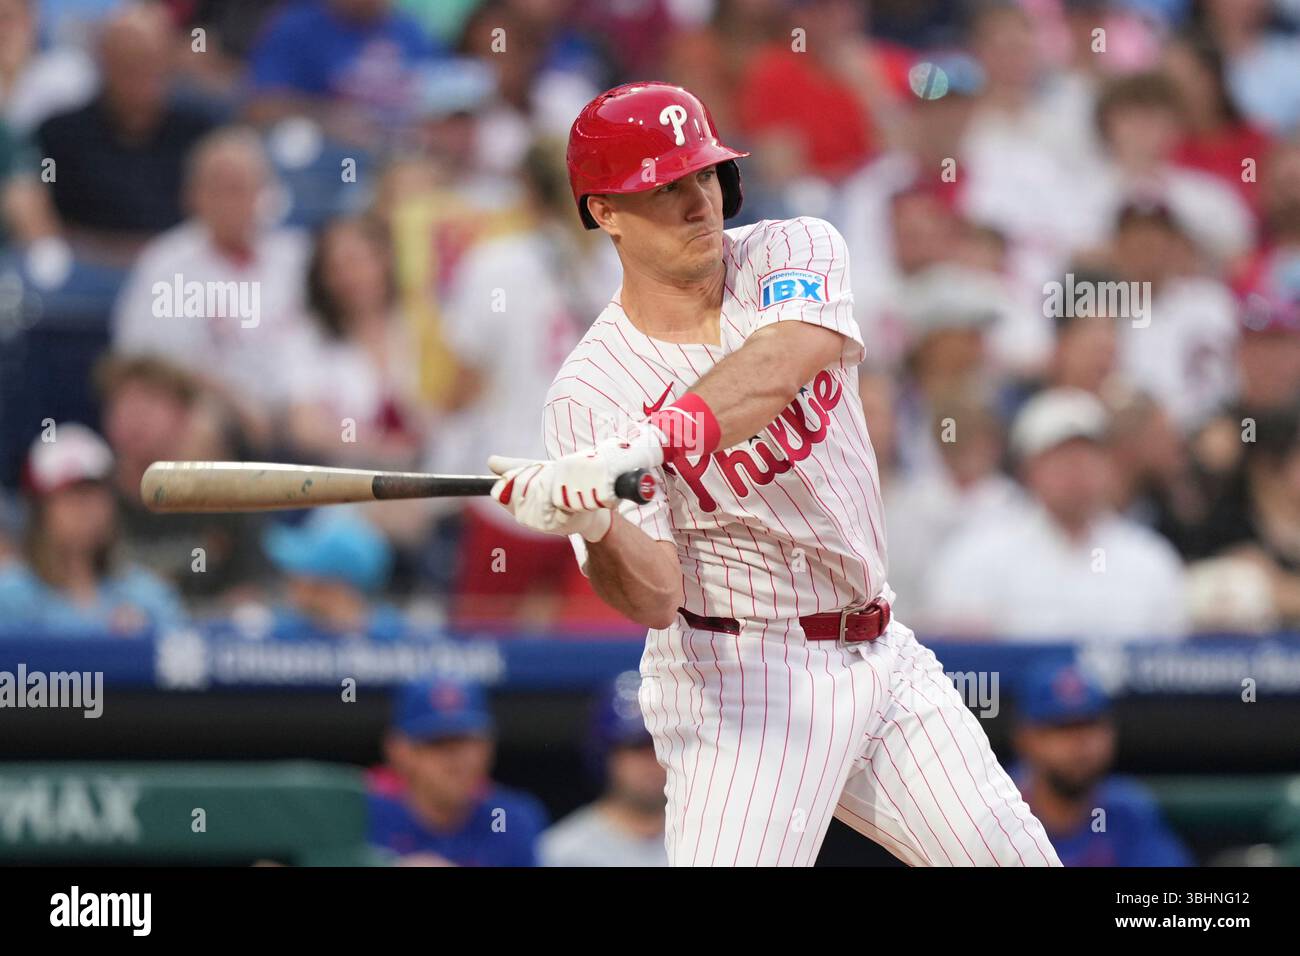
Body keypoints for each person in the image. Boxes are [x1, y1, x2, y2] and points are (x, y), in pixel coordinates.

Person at [486, 82, 1060, 867]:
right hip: (742, 681)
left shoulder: (793, 248)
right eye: (665, 187)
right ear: (605, 212)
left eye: (704, 175)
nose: (699, 203)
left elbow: (781, 362)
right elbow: (653, 595)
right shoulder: (590, 391)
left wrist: (648, 445)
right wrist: (596, 521)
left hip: (879, 648)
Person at [925, 388, 1188, 642]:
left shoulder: (1149, 559)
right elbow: (959, 663)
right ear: (1028, 468)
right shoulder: (976, 554)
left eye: (1087, 456)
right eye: (1061, 457)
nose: (1077, 469)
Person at [111, 126, 312, 442]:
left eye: (242, 187)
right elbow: (144, 361)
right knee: (198, 424)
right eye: (219, 187)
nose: (231, 200)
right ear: (193, 195)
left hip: (300, 414)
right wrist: (234, 400)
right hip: (213, 416)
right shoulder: (166, 263)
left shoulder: (296, 258)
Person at [32, 3, 218, 262]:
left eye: (149, 60)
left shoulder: (202, 133)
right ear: (103, 61)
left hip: (183, 273)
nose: (139, 73)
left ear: (169, 60)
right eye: (126, 61)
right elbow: (43, 221)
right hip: (87, 271)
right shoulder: (59, 135)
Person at [0, 424, 185, 636]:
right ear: (41, 509)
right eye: (72, 495)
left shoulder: (147, 595)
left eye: (96, 493)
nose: (87, 509)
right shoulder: (10, 598)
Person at [1011, 659, 1193, 867]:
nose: (1080, 743)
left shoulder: (1126, 813)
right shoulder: (995, 812)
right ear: (1025, 738)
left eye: (1090, 725)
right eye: (1063, 728)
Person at [368, 677, 548, 866]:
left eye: (466, 743)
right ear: (399, 751)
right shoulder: (365, 815)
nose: (455, 761)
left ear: (487, 747)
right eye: (438, 743)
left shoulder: (509, 820)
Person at [539, 672, 668, 867]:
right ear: (606, 756)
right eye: (637, 748)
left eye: (661, 746)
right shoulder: (564, 852)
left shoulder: (704, 839)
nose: (653, 760)